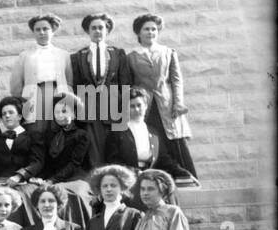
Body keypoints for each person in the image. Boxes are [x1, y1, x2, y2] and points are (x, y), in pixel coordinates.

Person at [126, 14, 198, 184]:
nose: (151, 32)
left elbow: (176, 80)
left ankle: (186, 180)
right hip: (146, 107)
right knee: (153, 142)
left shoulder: (168, 52)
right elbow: (130, 84)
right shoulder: (131, 57)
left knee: (174, 141)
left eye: (154, 29)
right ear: (138, 33)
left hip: (168, 104)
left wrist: (178, 102)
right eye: (146, 29)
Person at [11, 92, 93, 225]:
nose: (60, 115)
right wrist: (41, 178)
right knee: (30, 191)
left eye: (64, 111)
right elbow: (45, 161)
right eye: (57, 112)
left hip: (74, 175)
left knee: (69, 193)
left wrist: (51, 181)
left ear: (74, 114)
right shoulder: (50, 134)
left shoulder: (81, 135)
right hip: (51, 176)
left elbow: (74, 164)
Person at [69, 13, 130, 167]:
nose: (97, 31)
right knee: (92, 145)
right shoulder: (78, 56)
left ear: (107, 30)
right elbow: (76, 85)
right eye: (93, 28)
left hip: (113, 104)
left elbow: (125, 82)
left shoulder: (117, 53)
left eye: (101, 27)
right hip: (88, 105)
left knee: (114, 142)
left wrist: (124, 107)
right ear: (88, 31)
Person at [103, 86, 193, 183]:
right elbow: (113, 161)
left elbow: (163, 158)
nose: (137, 109)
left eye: (139, 105)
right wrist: (133, 172)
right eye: (132, 106)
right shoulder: (116, 132)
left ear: (145, 106)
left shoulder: (153, 132)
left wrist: (181, 172)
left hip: (150, 179)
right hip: (125, 180)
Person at [9, 13, 73, 126]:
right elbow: (16, 84)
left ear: (52, 30)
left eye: (45, 29)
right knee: (37, 130)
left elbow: (69, 81)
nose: (41, 32)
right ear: (33, 32)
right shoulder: (25, 56)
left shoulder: (64, 55)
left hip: (58, 94)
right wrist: (20, 102)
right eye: (37, 30)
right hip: (34, 96)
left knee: (57, 128)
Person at [0, 96, 34, 187]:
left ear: (19, 116)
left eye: (11, 112)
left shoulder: (30, 137)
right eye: (4, 114)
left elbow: (36, 162)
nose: (7, 116)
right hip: (1, 182)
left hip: (23, 182)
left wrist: (19, 176)